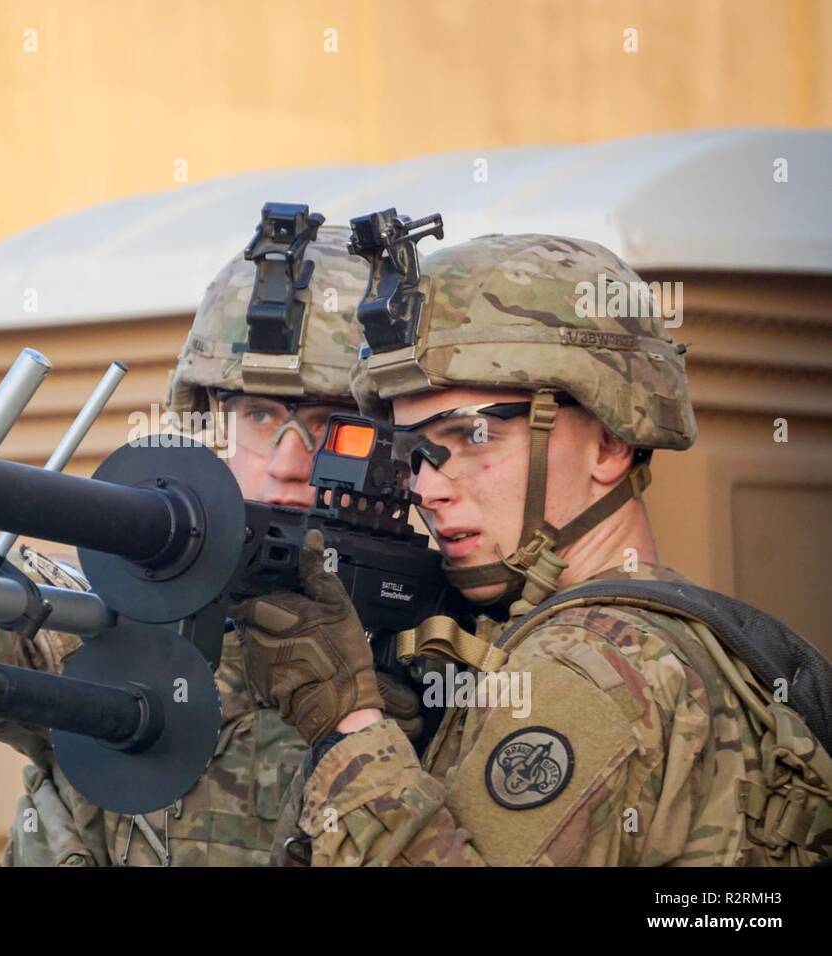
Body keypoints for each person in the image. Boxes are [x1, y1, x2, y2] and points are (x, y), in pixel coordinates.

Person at [235, 232, 832, 866]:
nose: (429, 486)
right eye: (413, 451)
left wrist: (348, 732)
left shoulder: (585, 667)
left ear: (609, 444)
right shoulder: (681, 637)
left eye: (472, 434)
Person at [0, 223, 423, 865]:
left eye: (329, 427)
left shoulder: (456, 645)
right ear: (210, 424)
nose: (288, 462)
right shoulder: (122, 622)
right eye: (260, 417)